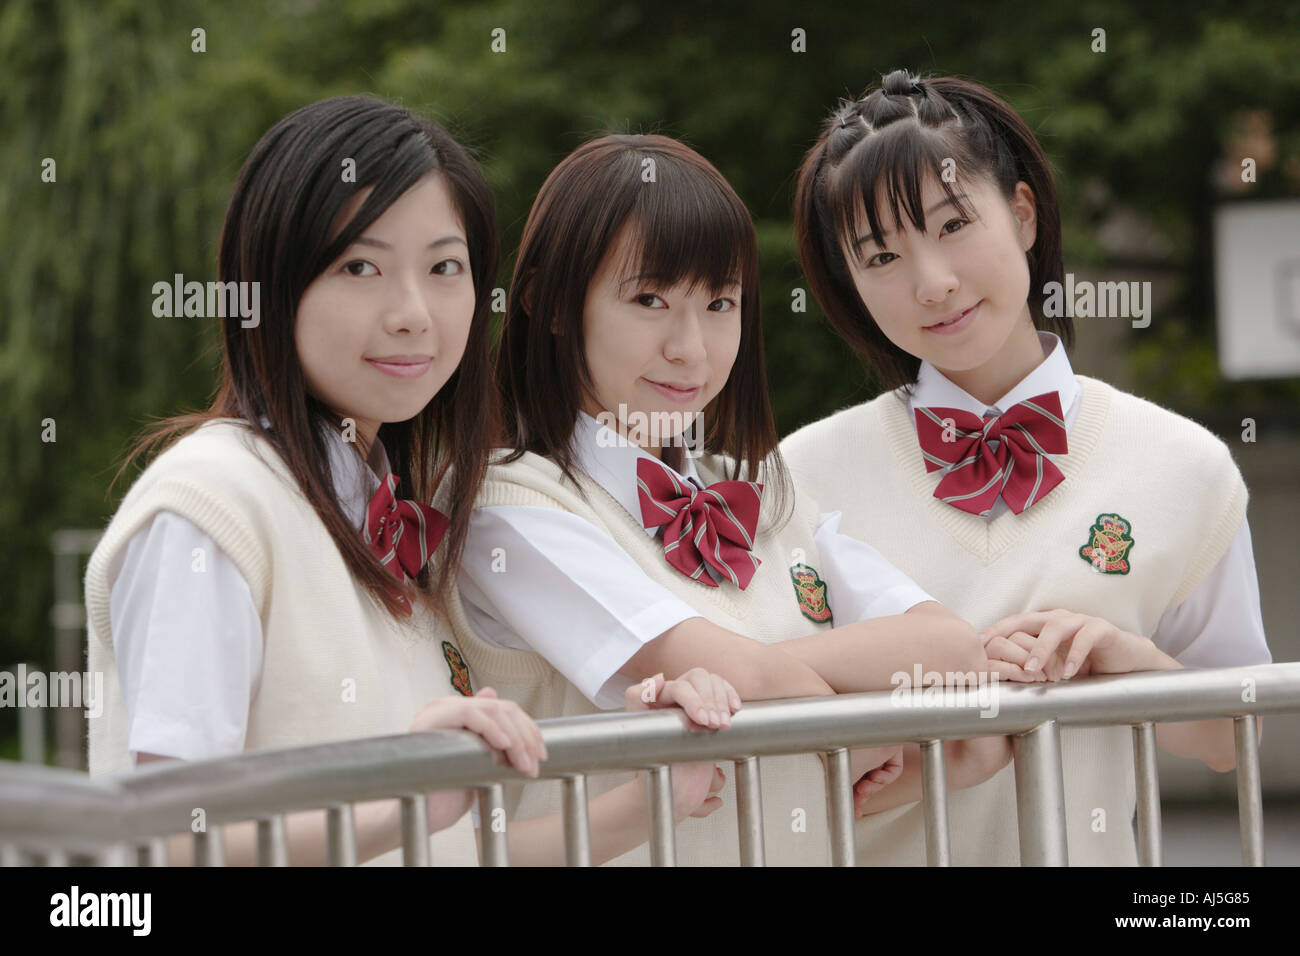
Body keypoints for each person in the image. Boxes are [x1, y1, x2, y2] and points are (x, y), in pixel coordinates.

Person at [84, 96, 724, 866]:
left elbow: (453, 852)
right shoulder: (215, 504)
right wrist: (400, 800)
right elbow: (166, 842)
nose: (414, 313)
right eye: (361, 266)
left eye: (445, 268)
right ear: (269, 285)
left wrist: (661, 777)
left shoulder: (401, 527)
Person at [444, 133, 1007, 867]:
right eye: (649, 299)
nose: (692, 347)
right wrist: (859, 722)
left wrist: (804, 707)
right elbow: (739, 679)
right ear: (550, 305)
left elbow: (952, 652)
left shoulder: (762, 493)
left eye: (719, 302)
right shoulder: (512, 507)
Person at [782, 69, 1272, 865]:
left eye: (952, 224)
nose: (932, 283)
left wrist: (1131, 665)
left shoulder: (1183, 467)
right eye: (880, 256)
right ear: (848, 282)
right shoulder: (796, 479)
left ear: (1021, 212)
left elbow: (1233, 737)